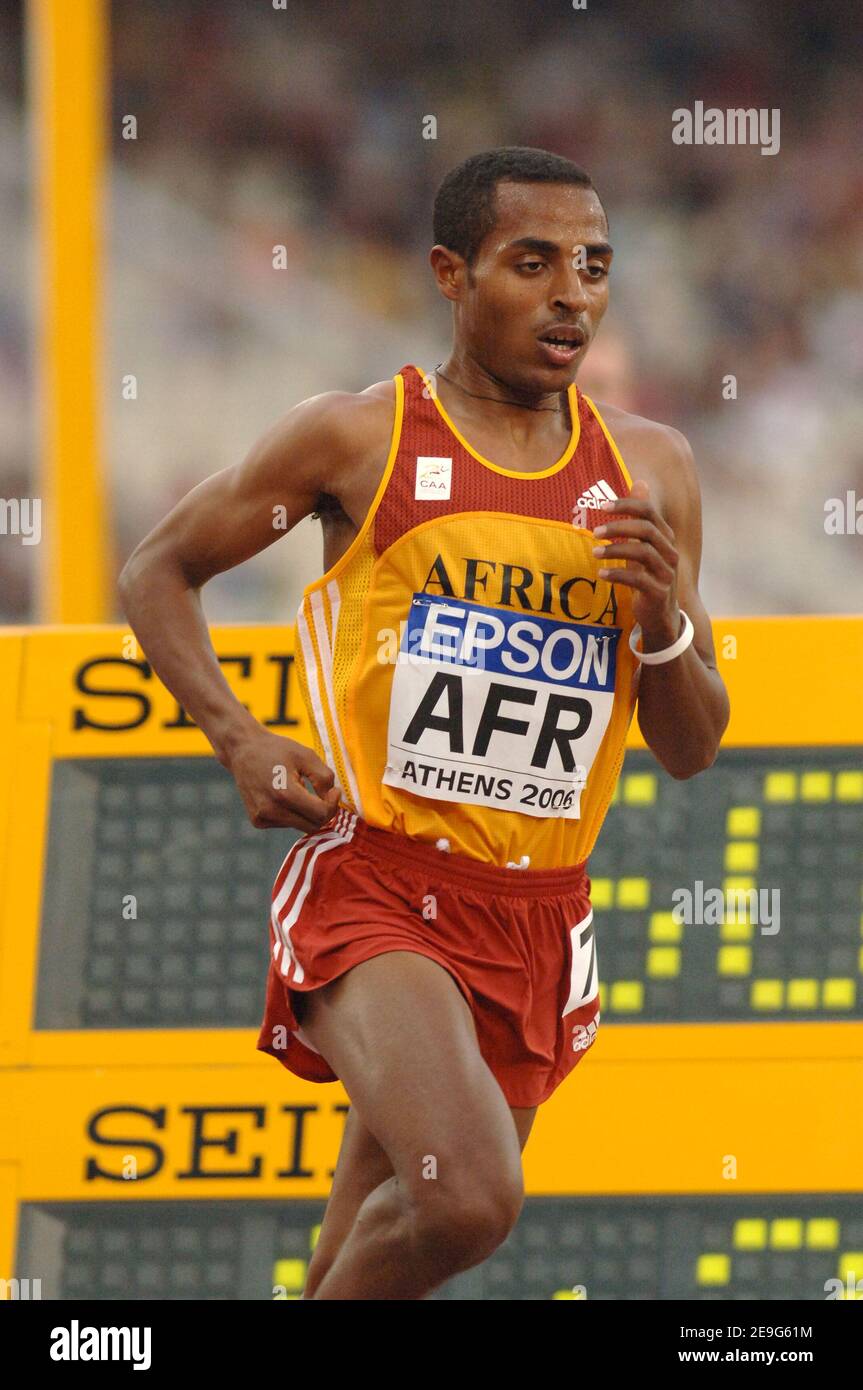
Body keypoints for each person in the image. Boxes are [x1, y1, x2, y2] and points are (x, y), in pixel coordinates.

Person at [119, 146, 730, 1300]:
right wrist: (237, 735)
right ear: (451, 273)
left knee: (368, 1243)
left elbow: (691, 744)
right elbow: (157, 568)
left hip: (537, 914)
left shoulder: (650, 471)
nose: (572, 294)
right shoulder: (358, 438)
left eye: (593, 266)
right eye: (532, 262)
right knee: (466, 1199)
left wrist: (661, 616)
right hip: (381, 881)